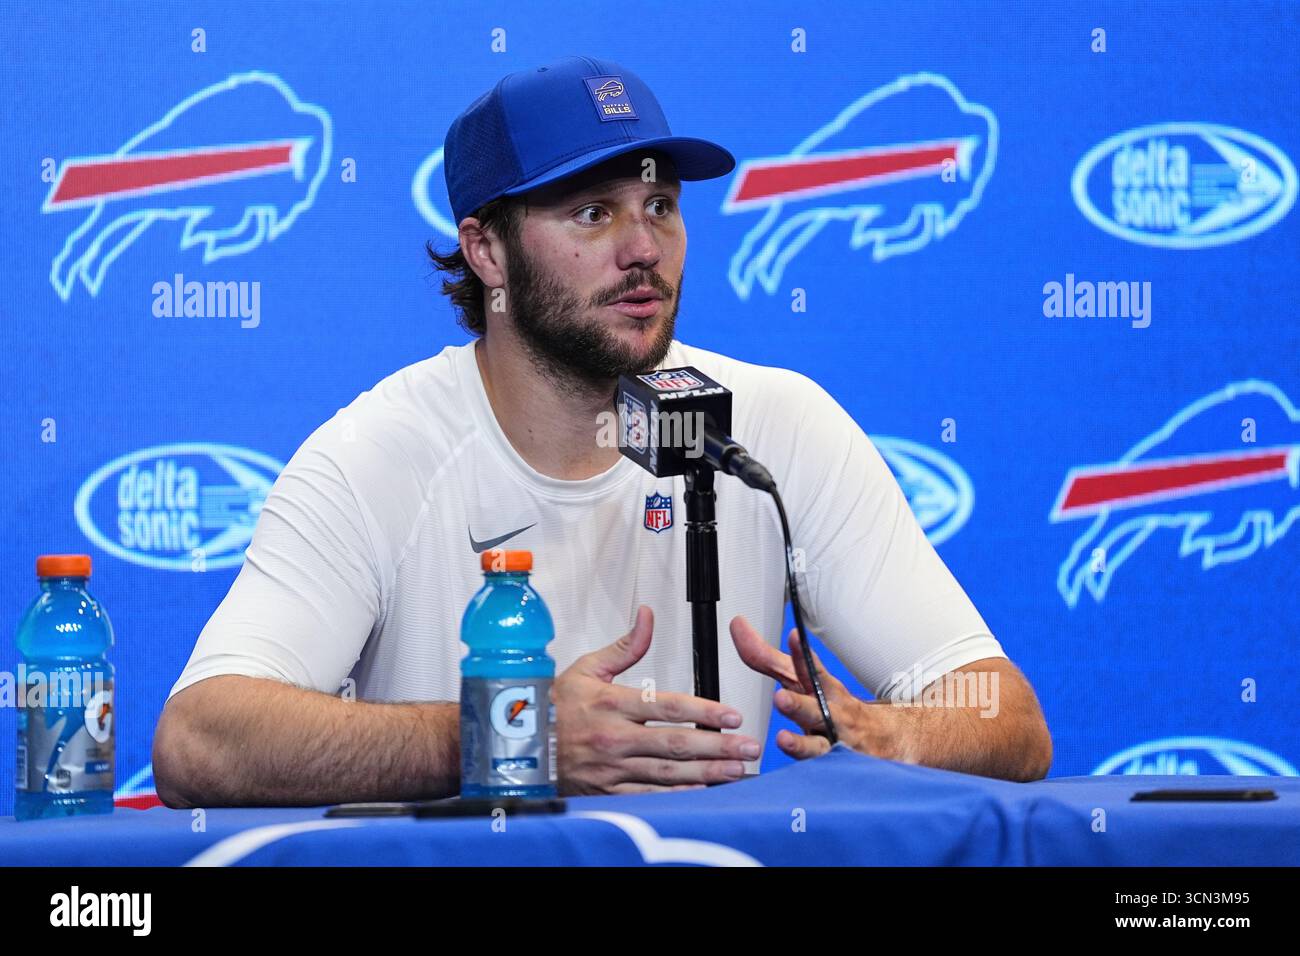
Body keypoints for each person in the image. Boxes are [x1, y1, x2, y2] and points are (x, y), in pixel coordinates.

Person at [153, 55, 1051, 807]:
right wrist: (512, 736)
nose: (643, 248)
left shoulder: (777, 426)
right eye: (593, 213)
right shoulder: (375, 457)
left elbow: (1005, 717)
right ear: (487, 250)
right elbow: (201, 739)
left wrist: (891, 733)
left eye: (659, 206)